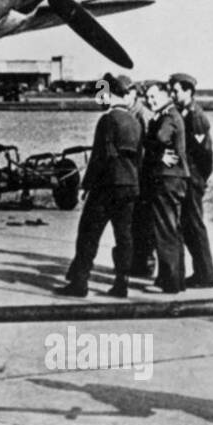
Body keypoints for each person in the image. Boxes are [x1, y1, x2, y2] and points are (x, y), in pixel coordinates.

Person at [55, 73, 142, 298]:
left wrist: (87, 185)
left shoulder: (107, 120)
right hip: (129, 185)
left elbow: (100, 156)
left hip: (107, 186)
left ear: (111, 94)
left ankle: (80, 283)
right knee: (124, 237)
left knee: (88, 235)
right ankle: (121, 283)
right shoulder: (135, 121)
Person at [169, 73, 213, 288]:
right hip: (188, 177)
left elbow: (205, 155)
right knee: (188, 226)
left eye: (176, 90)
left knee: (194, 226)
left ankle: (206, 275)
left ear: (188, 92)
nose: (172, 94)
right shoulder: (183, 113)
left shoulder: (196, 116)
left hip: (192, 180)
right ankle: (201, 273)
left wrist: (198, 180)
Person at [141, 80, 189, 293]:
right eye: (148, 98)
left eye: (154, 97)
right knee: (172, 230)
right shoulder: (170, 113)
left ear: (165, 95)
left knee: (165, 230)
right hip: (174, 179)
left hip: (166, 179)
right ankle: (175, 280)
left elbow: (160, 137)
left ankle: (169, 282)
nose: (150, 102)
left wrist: (151, 148)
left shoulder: (168, 116)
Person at [125, 81, 156, 280]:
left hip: (143, 178)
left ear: (134, 94)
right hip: (135, 177)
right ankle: (138, 263)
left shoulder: (142, 115)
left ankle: (146, 264)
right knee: (134, 223)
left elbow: (149, 151)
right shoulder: (131, 114)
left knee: (144, 223)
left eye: (125, 94)